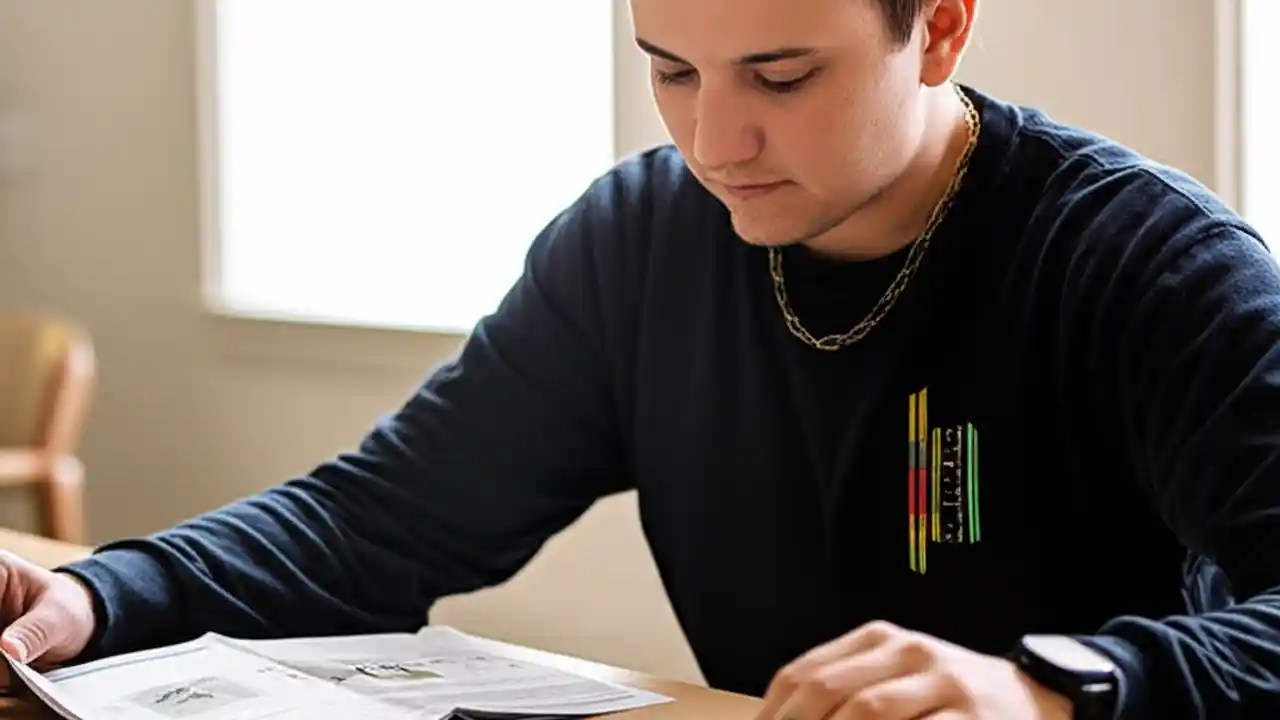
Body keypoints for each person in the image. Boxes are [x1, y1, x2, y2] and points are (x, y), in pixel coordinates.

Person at [3, 0, 1279, 717]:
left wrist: (1052, 690)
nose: (714, 141)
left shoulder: (1144, 262)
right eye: (670, 71)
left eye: (779, 77)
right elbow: (382, 521)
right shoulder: (639, 239)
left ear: (938, 28)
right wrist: (107, 595)